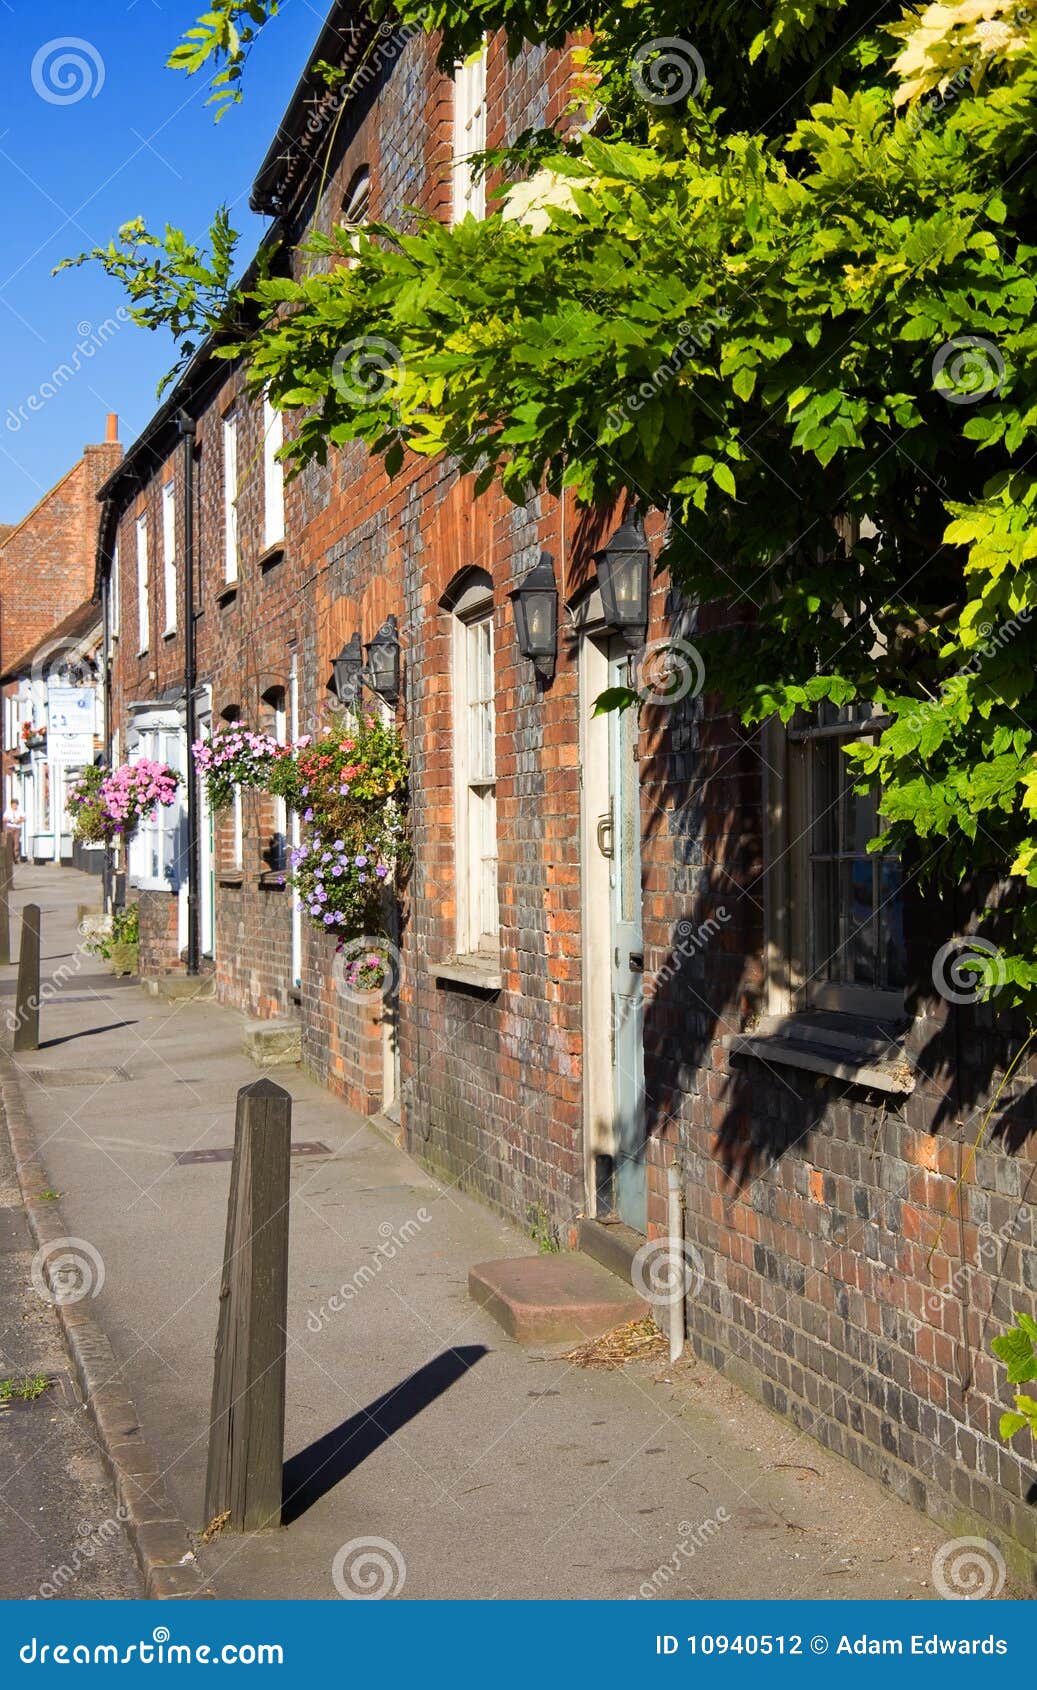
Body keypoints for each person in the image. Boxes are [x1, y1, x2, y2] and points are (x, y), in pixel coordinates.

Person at [3, 797, 22, 863]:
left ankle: (16, 858)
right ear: (11, 805)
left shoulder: (20, 811)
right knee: (9, 843)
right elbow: (4, 819)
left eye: (16, 804)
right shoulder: (8, 811)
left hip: (17, 828)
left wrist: (19, 820)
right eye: (13, 804)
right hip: (10, 828)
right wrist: (9, 820)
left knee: (16, 843)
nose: (15, 806)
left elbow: (24, 819)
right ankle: (9, 858)